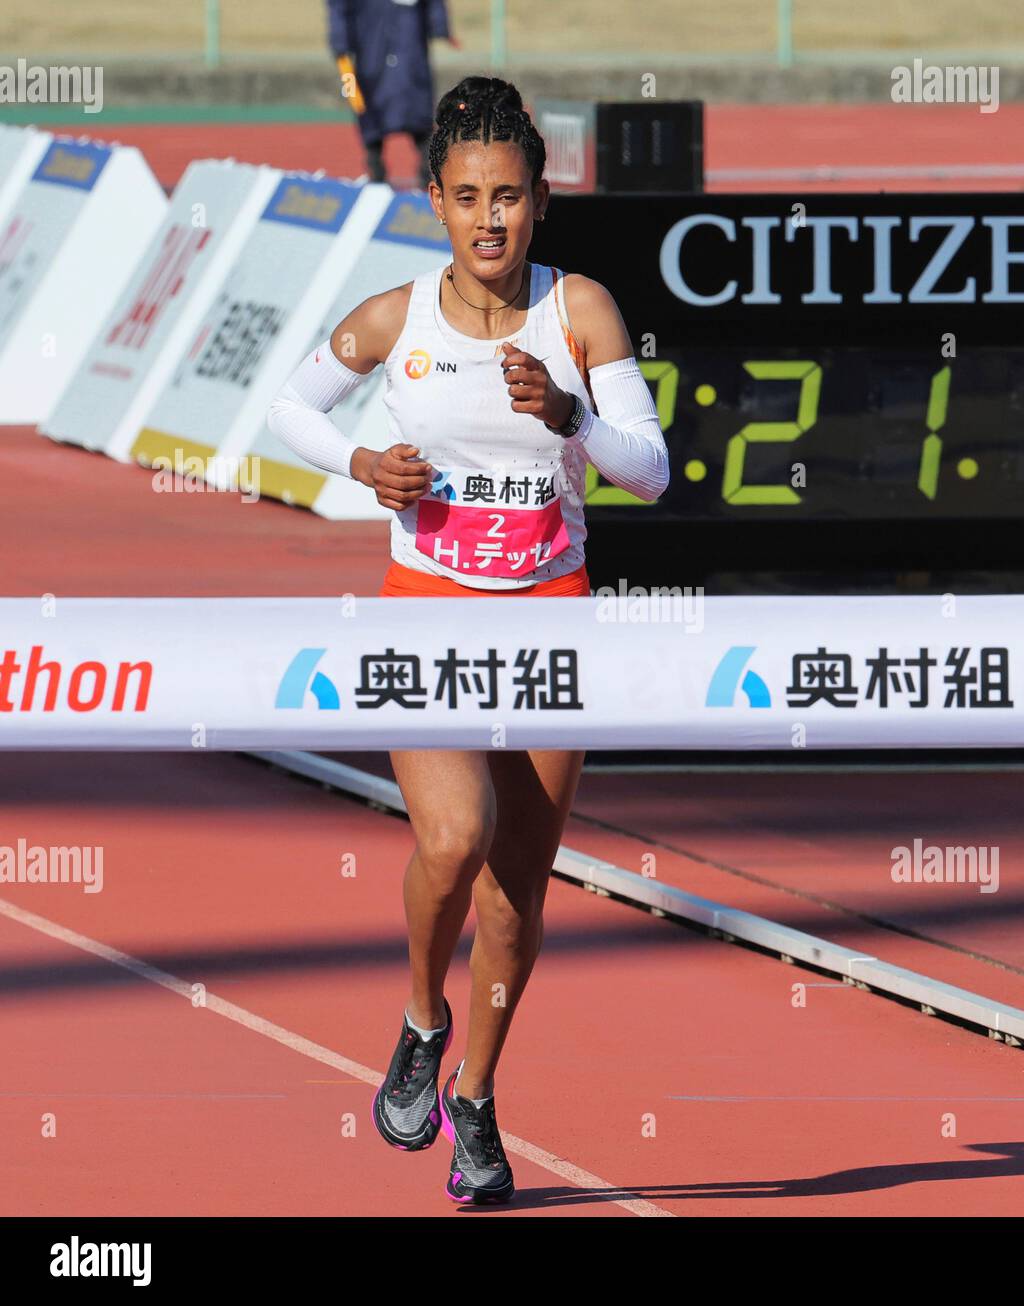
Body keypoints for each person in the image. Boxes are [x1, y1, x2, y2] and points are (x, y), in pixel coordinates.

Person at [267, 76, 670, 1205]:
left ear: (539, 202)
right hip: (426, 613)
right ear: (434, 204)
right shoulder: (397, 321)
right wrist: (360, 466)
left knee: (513, 897)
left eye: (508, 197)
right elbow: (288, 409)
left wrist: (571, 417)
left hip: (551, 622)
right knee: (454, 837)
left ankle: (479, 1099)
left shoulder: (578, 312)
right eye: (465, 197)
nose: (488, 219)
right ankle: (419, 1019)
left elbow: (653, 469)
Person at [328, 0, 457, 184]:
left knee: (418, 108)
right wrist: (340, 42)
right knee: (369, 109)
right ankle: (375, 165)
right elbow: (339, 7)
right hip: (369, 45)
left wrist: (439, 25)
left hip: (410, 44)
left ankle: (427, 167)